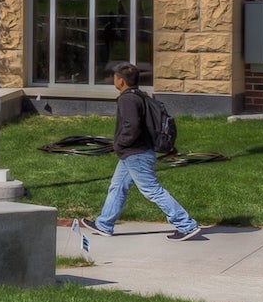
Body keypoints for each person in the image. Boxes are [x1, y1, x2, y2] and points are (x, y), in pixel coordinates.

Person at [75, 63, 206, 242]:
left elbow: (132, 126)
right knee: (118, 186)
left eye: (114, 77)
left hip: (135, 153)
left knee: (152, 190)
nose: (112, 79)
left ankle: (186, 225)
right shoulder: (140, 96)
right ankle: (104, 224)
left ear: (120, 81)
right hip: (136, 152)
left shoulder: (127, 99)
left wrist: (120, 144)